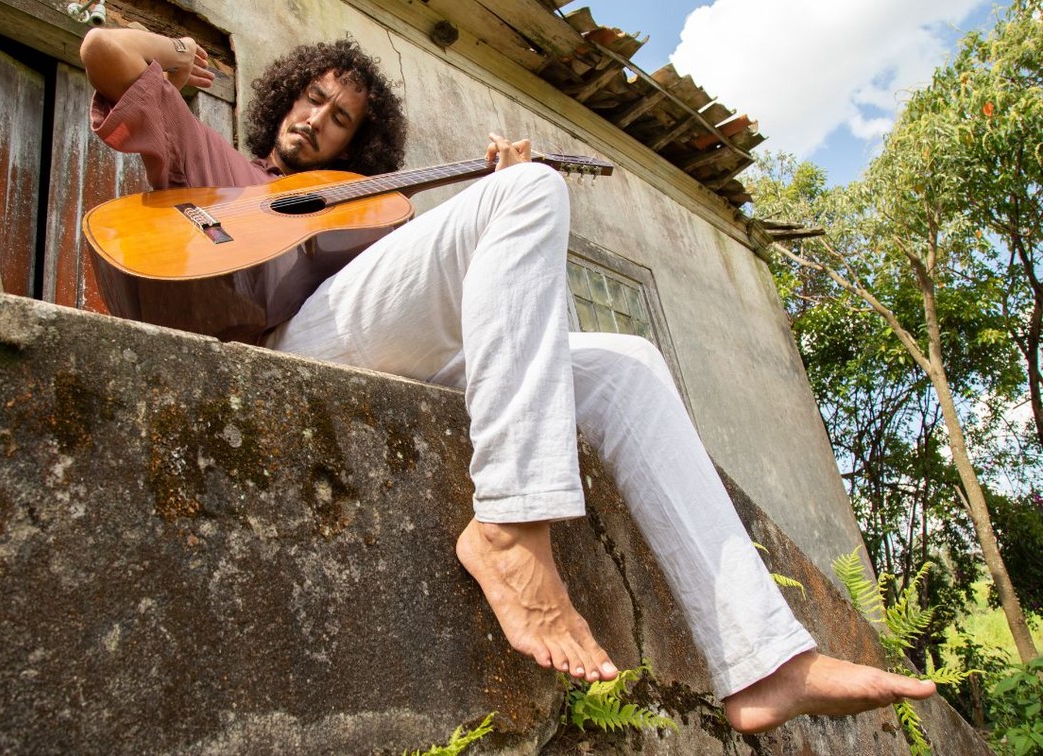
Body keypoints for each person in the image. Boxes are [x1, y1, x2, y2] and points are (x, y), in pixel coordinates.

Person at [79, 28, 937, 733]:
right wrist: (170, 48)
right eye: (312, 99)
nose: (318, 120)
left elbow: (449, 293)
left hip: (378, 338)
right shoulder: (219, 164)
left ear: (356, 142)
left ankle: (764, 660)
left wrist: (497, 192)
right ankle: (511, 527)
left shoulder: (362, 204)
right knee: (528, 194)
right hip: (288, 339)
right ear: (285, 96)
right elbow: (100, 51)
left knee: (626, 363)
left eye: (340, 118)